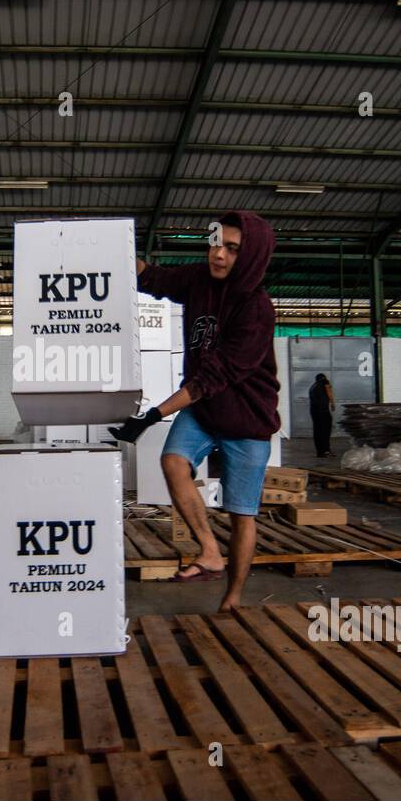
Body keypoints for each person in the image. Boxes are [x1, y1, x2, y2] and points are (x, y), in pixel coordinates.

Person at [109, 211, 280, 611]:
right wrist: (107, 249)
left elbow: (212, 377)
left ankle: (232, 598)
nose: (218, 255)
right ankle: (209, 552)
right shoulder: (200, 278)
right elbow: (153, 277)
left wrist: (153, 415)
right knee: (172, 462)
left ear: (252, 256)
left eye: (232, 250)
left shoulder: (256, 309)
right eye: (215, 243)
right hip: (204, 409)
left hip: (246, 418)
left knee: (242, 514)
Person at [309, 373, 336, 457]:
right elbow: (328, 391)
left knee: (317, 431)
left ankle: (320, 452)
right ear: (324, 378)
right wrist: (332, 403)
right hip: (323, 411)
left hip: (314, 412)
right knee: (325, 431)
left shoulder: (312, 387)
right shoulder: (324, 382)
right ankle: (326, 450)